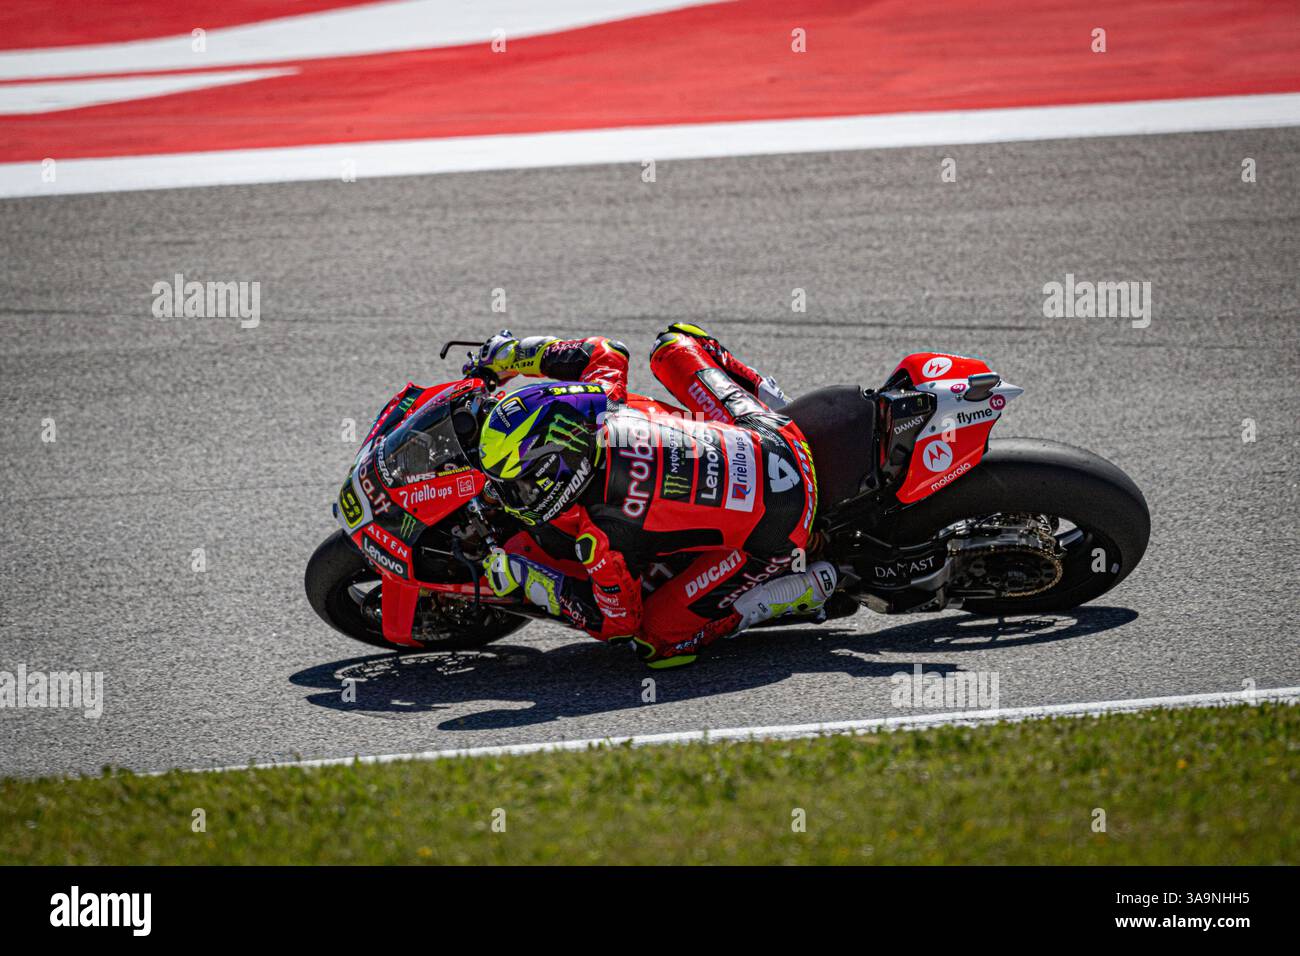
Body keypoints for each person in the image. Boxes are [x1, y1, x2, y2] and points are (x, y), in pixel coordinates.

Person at [467, 325, 837, 667]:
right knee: (673, 345)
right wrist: (510, 354)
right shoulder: (605, 397)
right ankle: (774, 398)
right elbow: (606, 350)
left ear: (558, 468)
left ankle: (793, 593)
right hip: (778, 434)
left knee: (657, 642)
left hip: (782, 527)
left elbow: (617, 624)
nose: (510, 495)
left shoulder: (602, 536)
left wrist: (526, 577)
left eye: (519, 485)